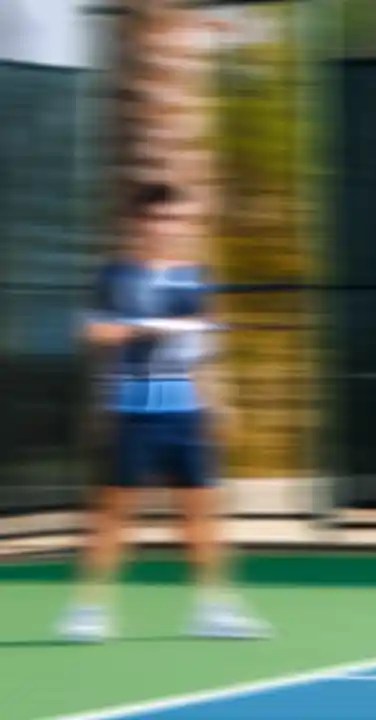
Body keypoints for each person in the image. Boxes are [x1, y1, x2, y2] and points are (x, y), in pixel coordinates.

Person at [57, 182, 271, 643]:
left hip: (186, 413)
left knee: (201, 515)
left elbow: (207, 347)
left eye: (173, 219)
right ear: (138, 224)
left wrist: (219, 402)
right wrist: (140, 329)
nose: (165, 228)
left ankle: (215, 609)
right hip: (132, 409)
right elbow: (92, 332)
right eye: (155, 219)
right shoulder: (116, 276)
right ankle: (88, 609)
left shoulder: (195, 278)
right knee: (113, 515)